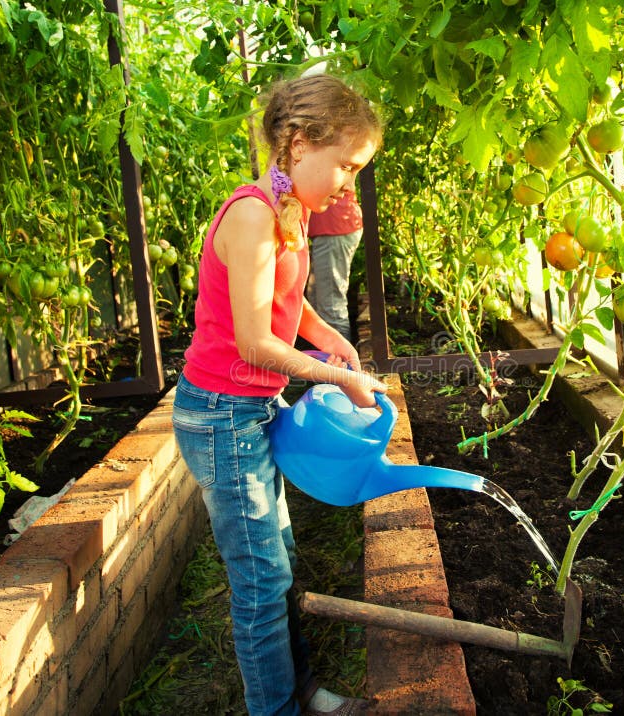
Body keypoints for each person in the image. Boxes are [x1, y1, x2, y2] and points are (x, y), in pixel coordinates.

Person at [171, 74, 387, 716]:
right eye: (346, 166)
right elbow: (255, 345)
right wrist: (338, 377)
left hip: (247, 408)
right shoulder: (253, 217)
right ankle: (277, 708)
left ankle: (297, 690)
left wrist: (332, 341)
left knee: (280, 564)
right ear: (298, 144)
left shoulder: (288, 209)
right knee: (263, 583)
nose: (349, 184)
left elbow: (284, 312)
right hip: (220, 415)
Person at [306, 190, 364, 342]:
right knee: (317, 301)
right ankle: (329, 360)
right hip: (331, 229)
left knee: (330, 305)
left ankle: (344, 363)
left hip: (333, 229)